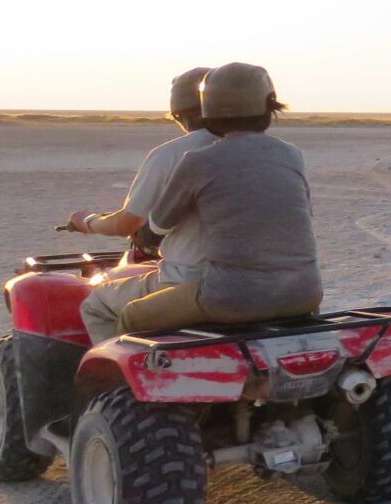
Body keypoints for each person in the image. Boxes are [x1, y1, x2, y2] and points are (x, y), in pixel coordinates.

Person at [114, 63, 324, 333]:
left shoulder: (198, 161)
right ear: (269, 108)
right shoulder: (290, 154)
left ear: (207, 111)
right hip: (305, 294)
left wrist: (143, 238)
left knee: (132, 316)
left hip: (230, 299)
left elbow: (157, 227)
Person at [64, 67, 213, 341]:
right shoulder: (270, 152)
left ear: (181, 113)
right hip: (270, 282)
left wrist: (88, 222)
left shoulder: (173, 154)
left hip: (194, 283)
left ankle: (113, 382)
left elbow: (127, 222)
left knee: (97, 304)